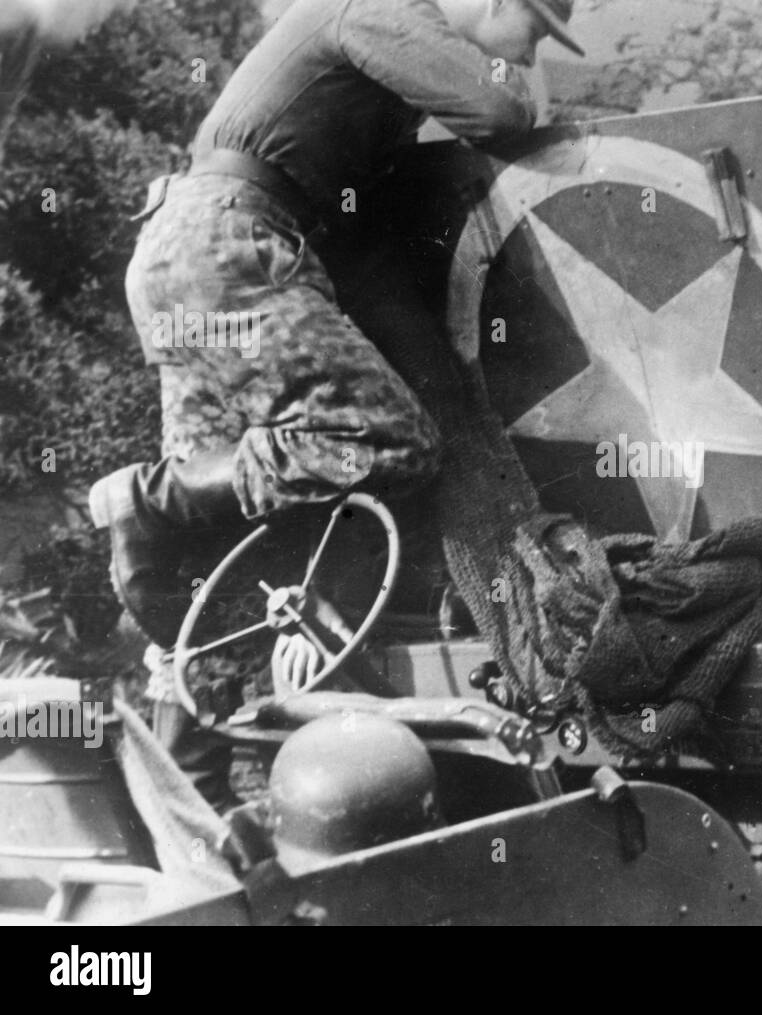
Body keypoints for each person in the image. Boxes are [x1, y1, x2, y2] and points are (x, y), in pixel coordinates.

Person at [90, 0, 585, 806]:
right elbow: (500, 108)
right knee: (385, 438)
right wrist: (517, 90)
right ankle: (147, 500)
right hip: (229, 246)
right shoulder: (381, 7)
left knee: (217, 567)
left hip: (192, 251)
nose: (529, 54)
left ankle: (203, 840)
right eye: (530, 31)